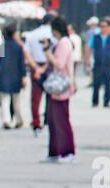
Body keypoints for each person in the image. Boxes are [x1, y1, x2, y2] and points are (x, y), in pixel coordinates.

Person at [44, 15, 76, 163]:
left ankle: (67, 152)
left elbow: (59, 64)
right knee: (53, 119)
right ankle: (55, 152)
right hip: (59, 87)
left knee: (61, 121)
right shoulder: (65, 42)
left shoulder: (63, 43)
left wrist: (48, 54)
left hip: (60, 87)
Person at [23, 15, 55, 137]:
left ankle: (36, 124)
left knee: (35, 98)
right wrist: (45, 67)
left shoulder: (31, 34)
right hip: (49, 66)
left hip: (35, 66)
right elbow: (53, 53)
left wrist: (36, 68)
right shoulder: (53, 35)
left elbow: (26, 53)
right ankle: (49, 121)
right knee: (51, 96)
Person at [0, 24, 27, 129]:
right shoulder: (18, 47)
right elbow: (21, 63)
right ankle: (19, 120)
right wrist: (24, 76)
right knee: (16, 100)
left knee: (4, 99)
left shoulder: (1, 46)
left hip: (4, 74)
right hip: (16, 75)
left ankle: (6, 120)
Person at [88, 18, 110, 108]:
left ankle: (107, 101)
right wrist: (87, 59)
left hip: (108, 64)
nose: (102, 28)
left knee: (108, 83)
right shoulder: (95, 37)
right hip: (98, 63)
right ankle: (95, 101)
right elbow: (89, 48)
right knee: (96, 83)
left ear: (108, 27)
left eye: (104, 26)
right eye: (101, 26)